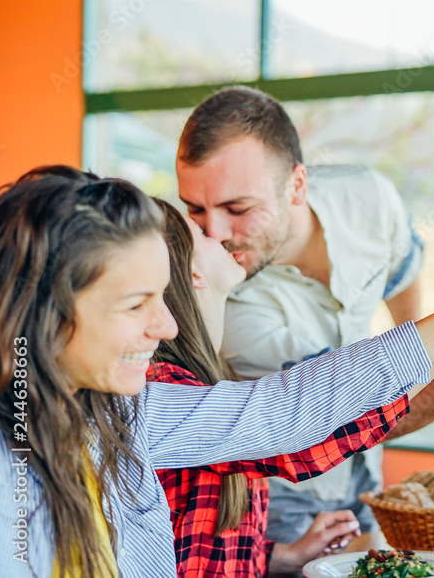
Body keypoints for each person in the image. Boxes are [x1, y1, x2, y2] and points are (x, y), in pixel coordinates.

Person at [0, 168, 434, 577]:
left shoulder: (120, 410)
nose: (165, 326)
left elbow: (285, 413)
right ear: (46, 313)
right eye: (137, 303)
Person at [175, 86, 434, 541]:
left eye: (237, 208)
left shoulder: (367, 197)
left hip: (367, 479)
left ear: (297, 185)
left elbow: (402, 268)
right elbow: (333, 416)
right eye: (195, 209)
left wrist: (419, 357)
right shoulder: (215, 293)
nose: (214, 232)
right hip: (281, 496)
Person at [149, 198, 375, 577]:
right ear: (193, 274)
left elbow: (197, 543)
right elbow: (297, 426)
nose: (219, 233)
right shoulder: (167, 389)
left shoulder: (205, 377)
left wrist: (286, 555)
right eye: (203, 233)